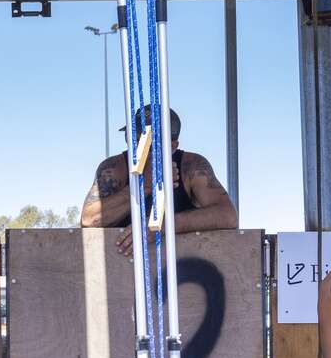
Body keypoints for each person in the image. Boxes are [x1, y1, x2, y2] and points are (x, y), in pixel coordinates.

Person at [80, 107, 238, 256]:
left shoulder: (191, 166)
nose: (136, 149)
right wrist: (143, 188)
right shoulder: (115, 168)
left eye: (146, 143)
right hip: (123, 268)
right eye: (132, 139)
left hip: (181, 270)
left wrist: (163, 225)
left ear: (172, 146)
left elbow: (228, 215)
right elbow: (89, 219)